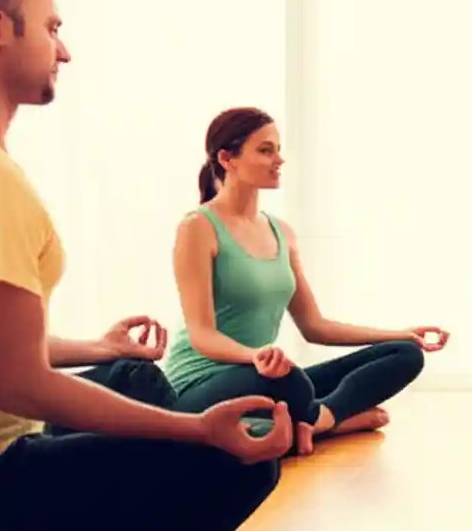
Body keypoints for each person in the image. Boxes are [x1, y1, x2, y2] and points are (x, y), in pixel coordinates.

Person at [0, 0, 289, 531]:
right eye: (51, 27)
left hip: (16, 430)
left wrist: (100, 347)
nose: (63, 50)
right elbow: (19, 383)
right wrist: (195, 429)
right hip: (3, 469)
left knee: (130, 372)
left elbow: (2, 352)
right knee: (239, 460)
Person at [164, 106, 449, 456]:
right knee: (288, 380)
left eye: (278, 149)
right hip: (200, 384)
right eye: (265, 150)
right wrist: (256, 356)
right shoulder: (198, 226)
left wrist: (399, 333)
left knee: (405, 355)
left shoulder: (282, 232)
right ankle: (325, 421)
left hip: (267, 375)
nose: (279, 159)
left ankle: (316, 421)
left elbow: (315, 327)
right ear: (228, 158)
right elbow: (202, 335)